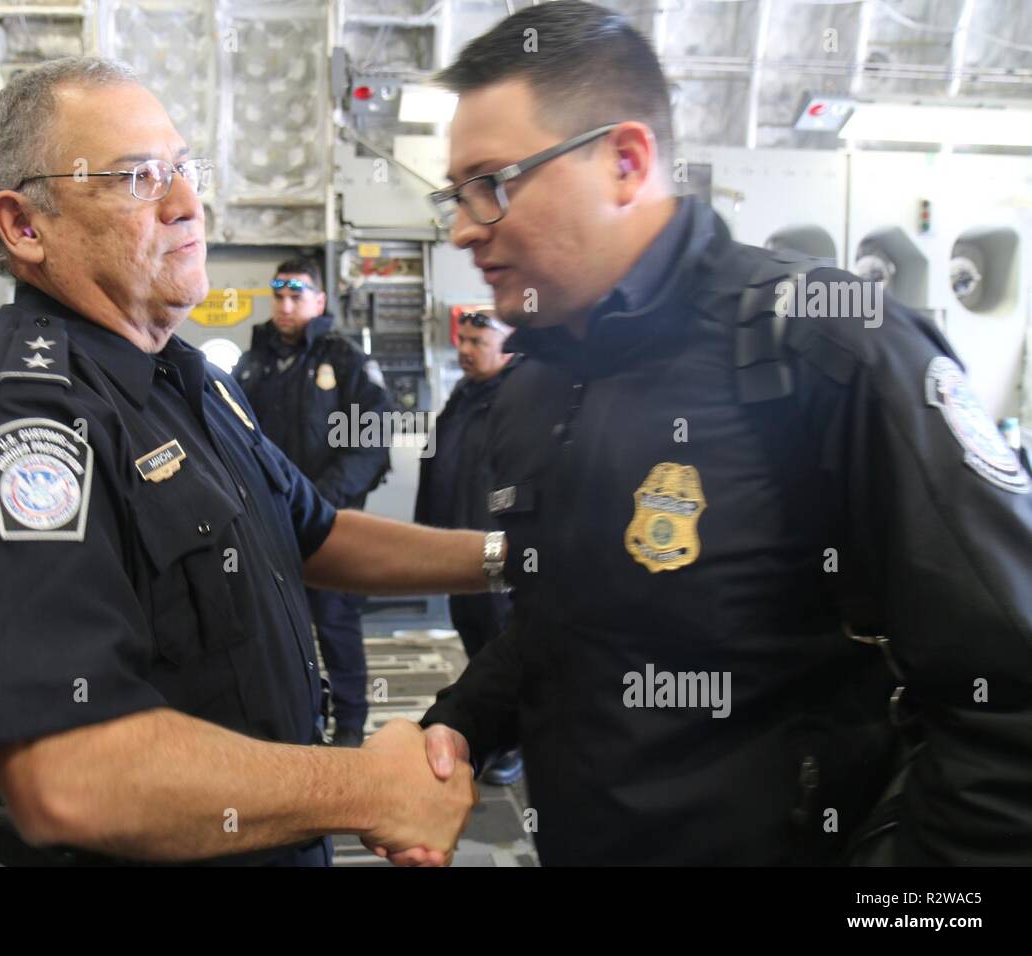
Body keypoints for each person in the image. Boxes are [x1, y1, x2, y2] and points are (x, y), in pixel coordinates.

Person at [404, 1, 1032, 866]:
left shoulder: (822, 346)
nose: (466, 227)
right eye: (456, 195)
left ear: (625, 163)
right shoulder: (535, 388)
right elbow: (563, 623)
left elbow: (1008, 700)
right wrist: (462, 725)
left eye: (491, 184)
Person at [0, 57, 496, 867]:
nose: (187, 204)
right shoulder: (18, 420)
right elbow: (67, 775)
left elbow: (317, 534)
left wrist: (512, 559)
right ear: (24, 225)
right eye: (140, 178)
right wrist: (370, 788)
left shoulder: (190, 380)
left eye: (184, 169)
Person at [233, 258, 392, 747]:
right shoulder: (252, 365)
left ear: (319, 301)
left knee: (336, 623)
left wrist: (316, 506)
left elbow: (370, 444)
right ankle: (294, 721)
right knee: (274, 626)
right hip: (266, 527)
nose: (285, 305)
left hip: (330, 524)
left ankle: (348, 724)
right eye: (278, 295)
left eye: (296, 295)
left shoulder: (345, 362)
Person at [414, 310, 522, 784]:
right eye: (463, 339)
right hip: (458, 551)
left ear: (510, 346)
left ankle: (514, 745)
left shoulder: (521, 401)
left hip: (499, 554)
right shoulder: (464, 395)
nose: (465, 348)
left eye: (479, 340)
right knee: (476, 642)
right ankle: (492, 731)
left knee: (505, 645)